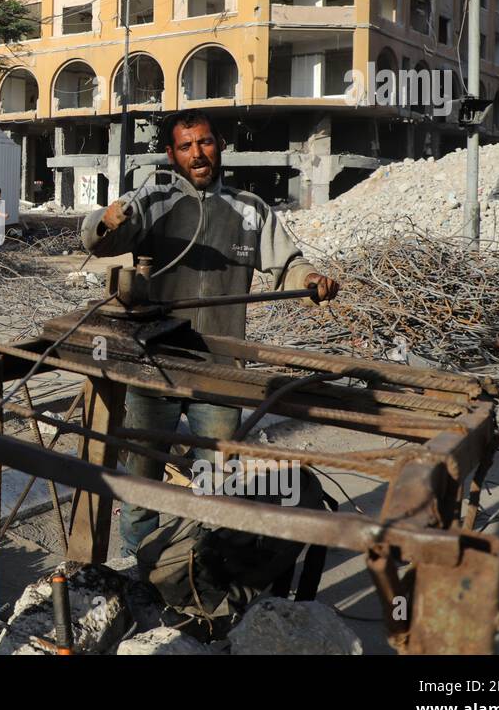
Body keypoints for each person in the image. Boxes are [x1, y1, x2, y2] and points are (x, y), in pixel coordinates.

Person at [79, 109, 339, 557]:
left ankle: (197, 577)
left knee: (215, 487)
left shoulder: (249, 208)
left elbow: (288, 263)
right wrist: (107, 220)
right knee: (141, 482)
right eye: (186, 146)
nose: (197, 154)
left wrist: (311, 279)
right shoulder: (152, 201)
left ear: (220, 145)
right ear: (171, 154)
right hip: (154, 367)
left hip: (220, 374)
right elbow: (99, 240)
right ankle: (137, 573)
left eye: (205, 143)